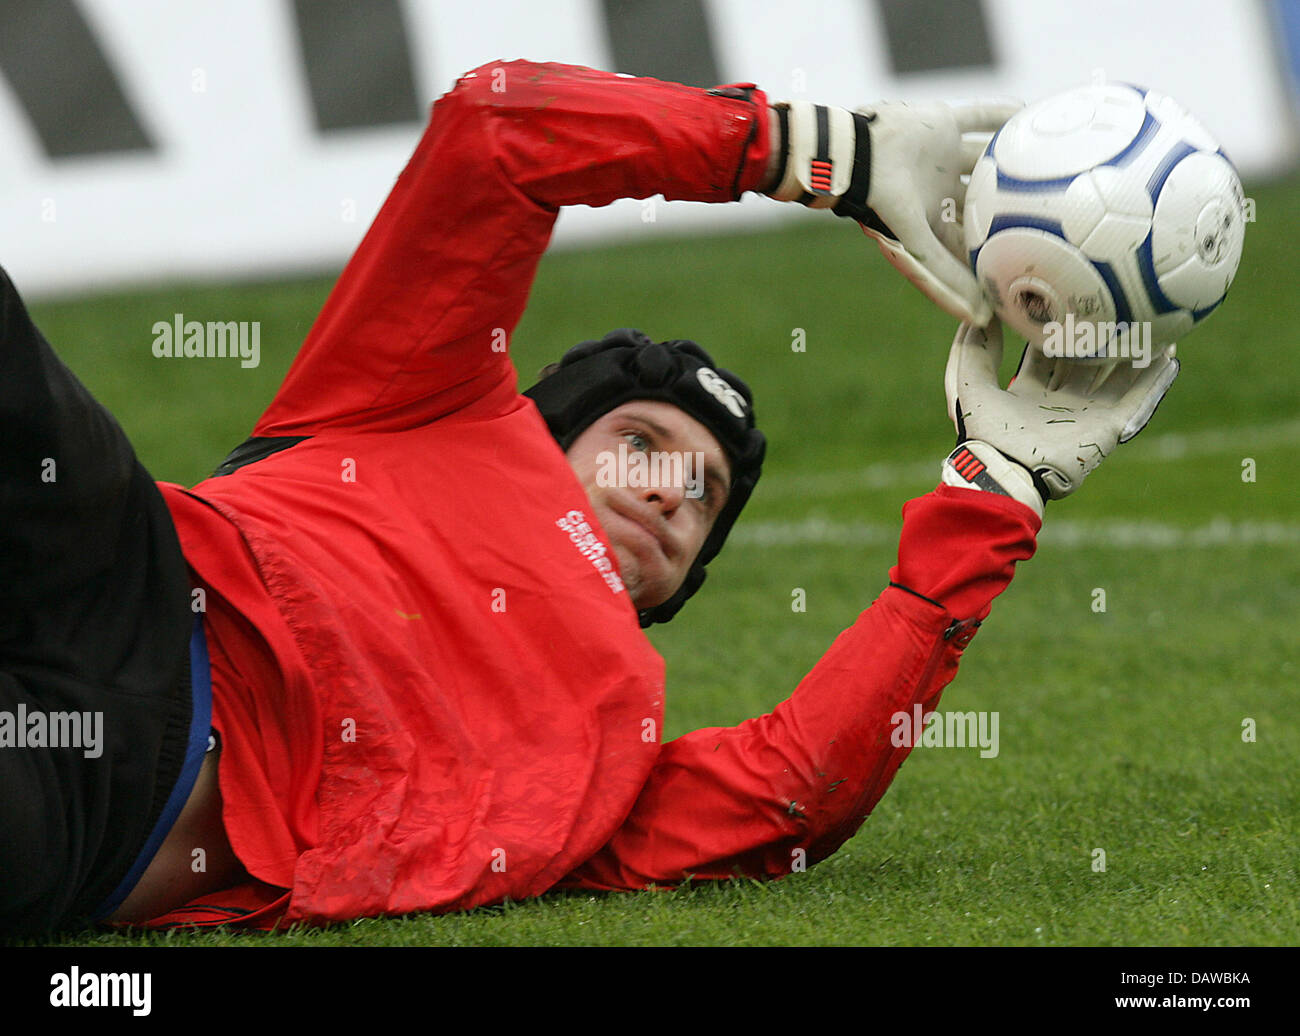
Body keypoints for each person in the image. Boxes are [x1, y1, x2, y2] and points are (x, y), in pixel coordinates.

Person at [0, 60, 1177, 935]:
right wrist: (814, 152)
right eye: (642, 442)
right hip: (131, 583)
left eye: (706, 496)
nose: (673, 489)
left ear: (678, 589)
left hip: (117, 816)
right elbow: (495, 131)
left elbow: (792, 792)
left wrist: (997, 489)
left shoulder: (620, 752)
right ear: (546, 439)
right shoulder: (426, 400)